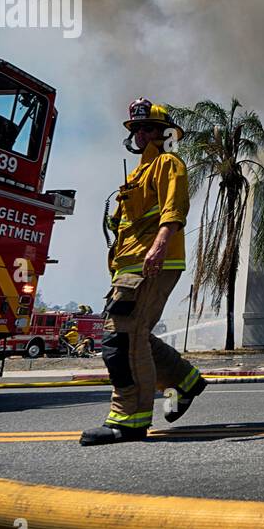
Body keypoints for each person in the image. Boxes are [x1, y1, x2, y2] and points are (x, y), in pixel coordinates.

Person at [79, 98, 207, 446]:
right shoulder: (137, 174)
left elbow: (174, 206)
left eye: (148, 128)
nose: (141, 134)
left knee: (121, 339)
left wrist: (160, 242)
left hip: (151, 263)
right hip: (130, 265)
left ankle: (129, 420)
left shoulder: (169, 163)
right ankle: (186, 380)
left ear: (165, 133)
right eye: (137, 128)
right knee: (136, 334)